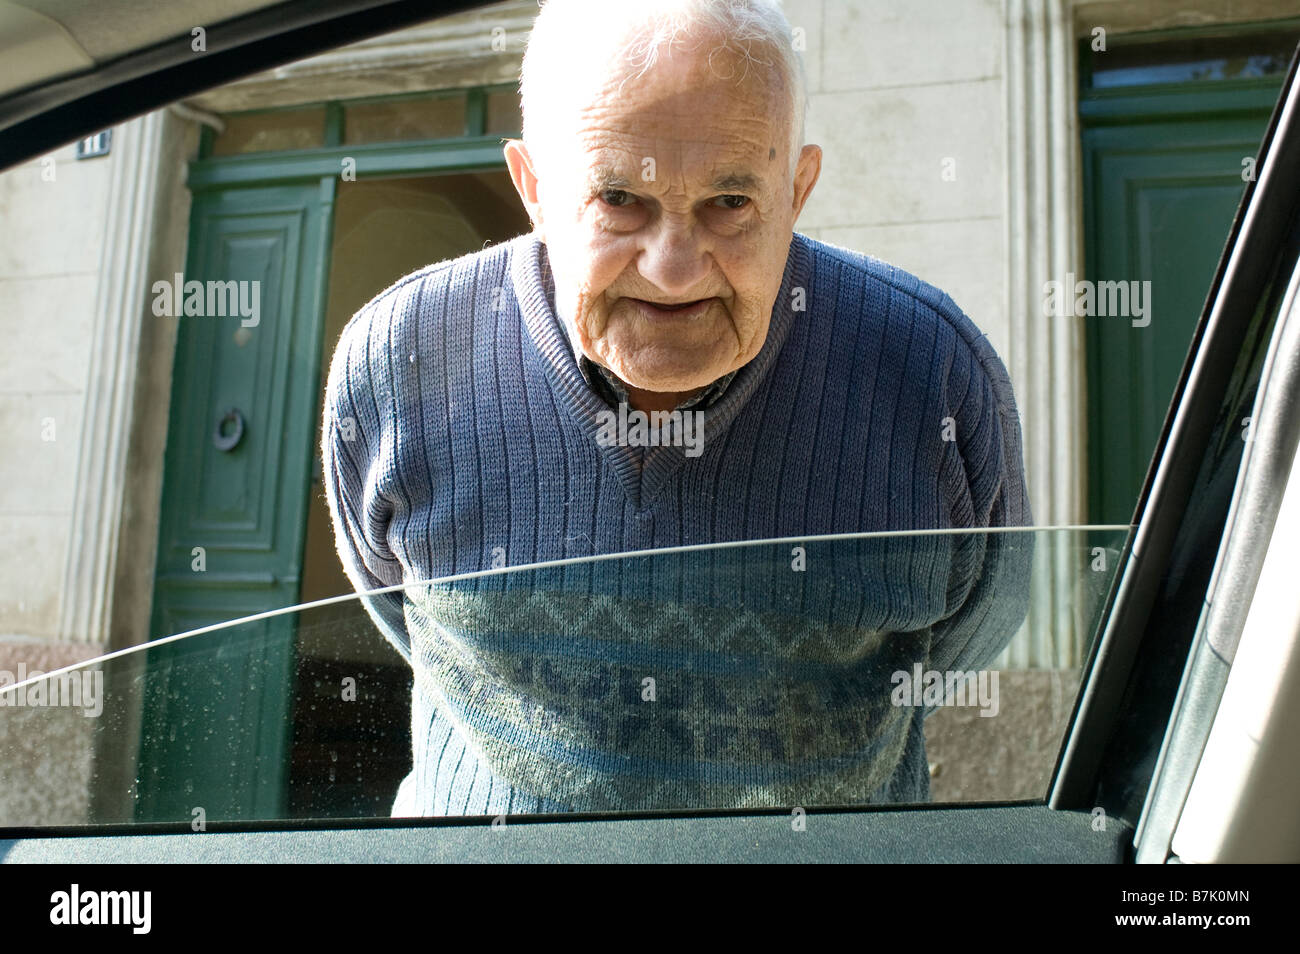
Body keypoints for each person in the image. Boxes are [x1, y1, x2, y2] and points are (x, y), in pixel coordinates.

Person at [321, 0, 1033, 816]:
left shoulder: (934, 373)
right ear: (535, 190)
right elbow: (402, 610)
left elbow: (970, 631)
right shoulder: (400, 359)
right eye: (620, 198)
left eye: (730, 204)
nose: (673, 269)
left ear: (797, 189)